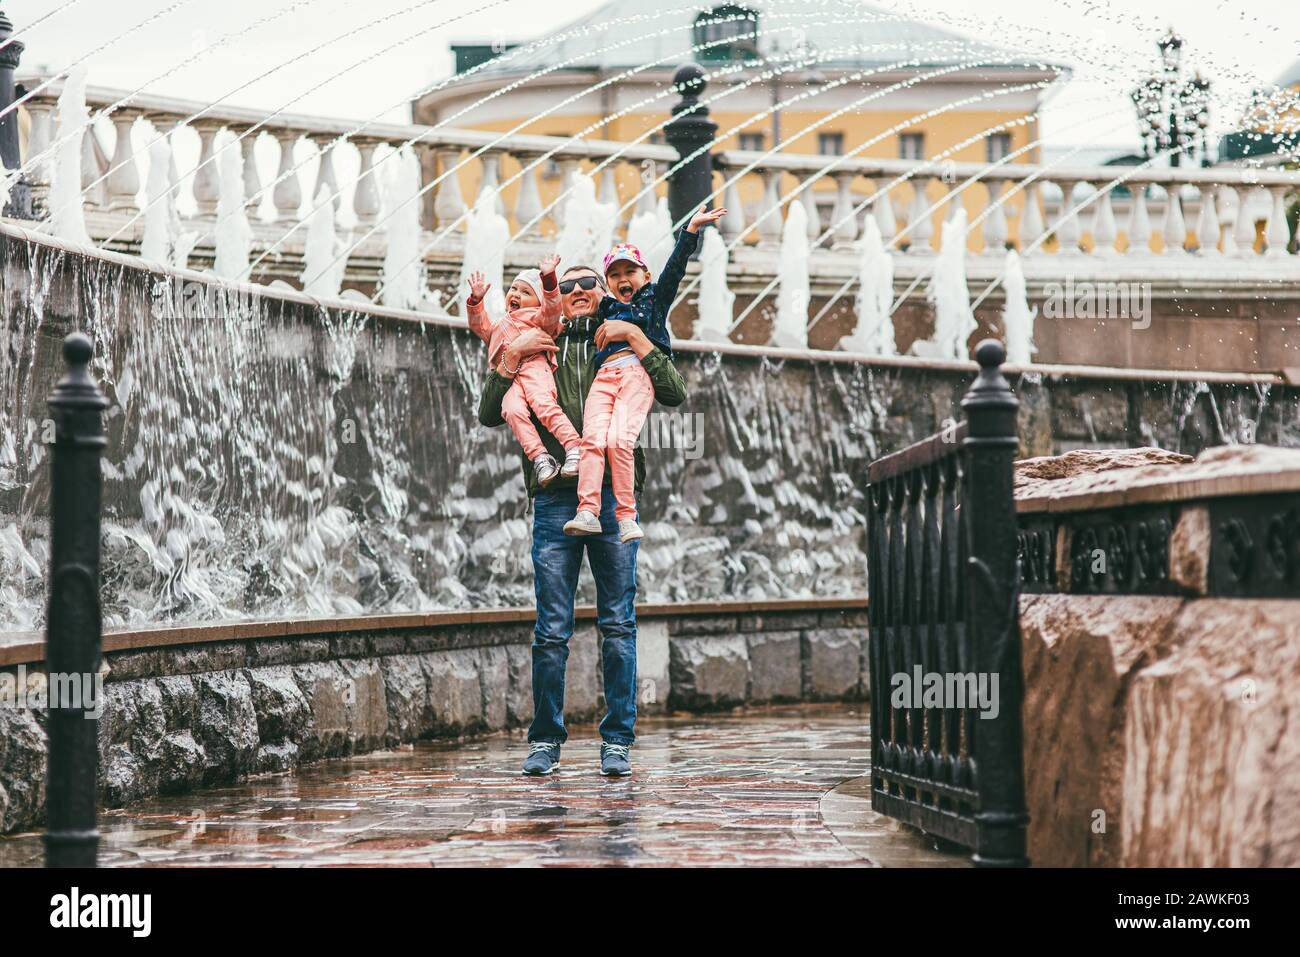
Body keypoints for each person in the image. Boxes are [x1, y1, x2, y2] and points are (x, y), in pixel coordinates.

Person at [478, 264, 686, 777]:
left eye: (585, 284)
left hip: (614, 503)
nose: (575, 292)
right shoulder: (537, 334)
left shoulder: (621, 334)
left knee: (618, 624)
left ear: (603, 292)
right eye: (565, 286)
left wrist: (636, 335)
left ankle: (617, 741)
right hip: (554, 501)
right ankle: (546, 740)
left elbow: (676, 390)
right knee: (551, 629)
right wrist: (508, 362)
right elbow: (487, 411)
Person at [563, 206, 727, 543]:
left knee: (618, 440)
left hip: (636, 372)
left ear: (645, 275)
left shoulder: (654, 301)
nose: (624, 279)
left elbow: (675, 271)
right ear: (607, 283)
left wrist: (691, 231)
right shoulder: (605, 308)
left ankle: (626, 516)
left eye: (630, 271)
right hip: (605, 376)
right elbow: (561, 313)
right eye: (615, 274)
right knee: (591, 440)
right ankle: (588, 510)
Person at [465, 253, 581, 487]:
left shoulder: (539, 319)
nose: (516, 294)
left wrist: (548, 279)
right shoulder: (500, 324)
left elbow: (552, 309)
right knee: (512, 410)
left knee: (543, 405)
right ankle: (540, 457)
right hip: (510, 375)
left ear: (537, 302)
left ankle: (575, 447)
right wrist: (476, 301)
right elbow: (480, 326)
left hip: (535, 367)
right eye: (514, 289)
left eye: (526, 292)